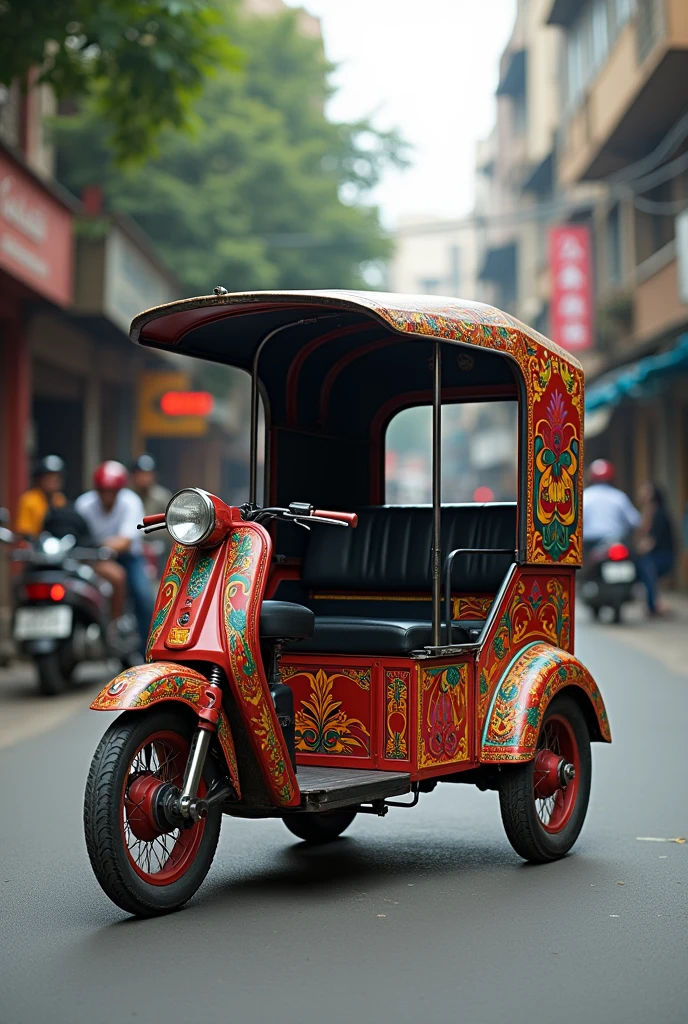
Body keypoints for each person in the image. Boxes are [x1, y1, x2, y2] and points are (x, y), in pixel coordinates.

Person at [75, 461, 154, 644]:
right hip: (93, 559)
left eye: (112, 491)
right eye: (103, 490)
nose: (107, 496)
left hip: (128, 558)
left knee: (144, 597)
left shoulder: (130, 502)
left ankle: (144, 650)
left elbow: (125, 541)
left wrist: (100, 547)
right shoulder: (84, 504)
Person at [636, 482, 675, 617]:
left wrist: (637, 550)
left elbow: (650, 541)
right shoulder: (647, 513)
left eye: (645, 491)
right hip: (653, 556)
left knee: (645, 566)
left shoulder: (659, 514)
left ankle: (654, 604)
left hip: (663, 556)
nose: (641, 493)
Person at [582, 459, 641, 550]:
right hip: (615, 542)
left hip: (589, 542)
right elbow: (635, 521)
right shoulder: (619, 496)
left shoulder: (585, 496)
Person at [15, 455, 67, 539]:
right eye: (48, 478)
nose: (52, 482)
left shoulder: (60, 499)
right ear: (40, 479)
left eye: (56, 478)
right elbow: (24, 531)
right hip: (35, 547)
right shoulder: (29, 500)